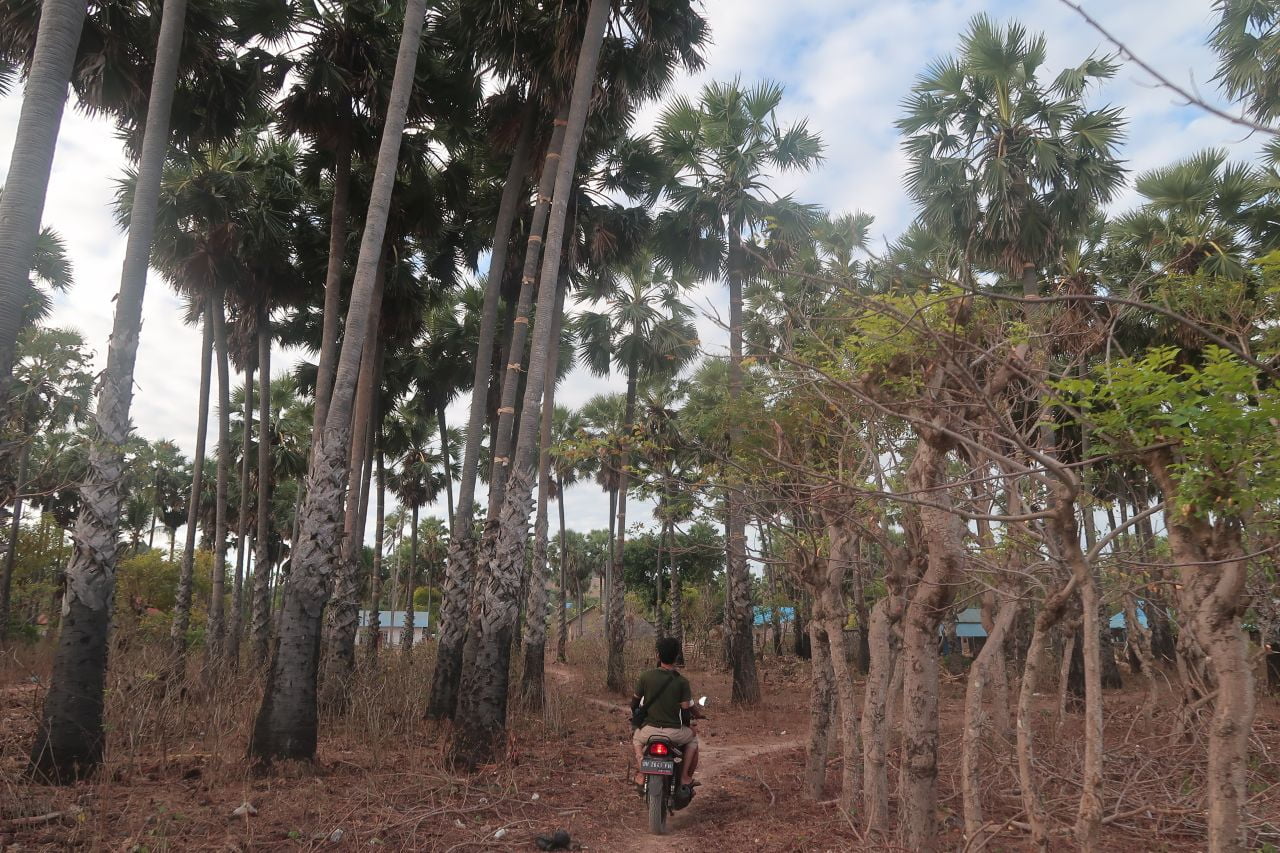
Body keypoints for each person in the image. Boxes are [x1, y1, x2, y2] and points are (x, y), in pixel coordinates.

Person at [630, 637, 701, 793]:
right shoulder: (682, 682)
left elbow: (634, 703)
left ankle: (642, 772)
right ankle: (683, 776)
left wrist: (635, 716)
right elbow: (685, 710)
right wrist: (688, 726)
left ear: (658, 655)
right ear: (676, 656)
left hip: (649, 731)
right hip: (674, 733)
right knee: (693, 740)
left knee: (636, 738)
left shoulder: (646, 677)